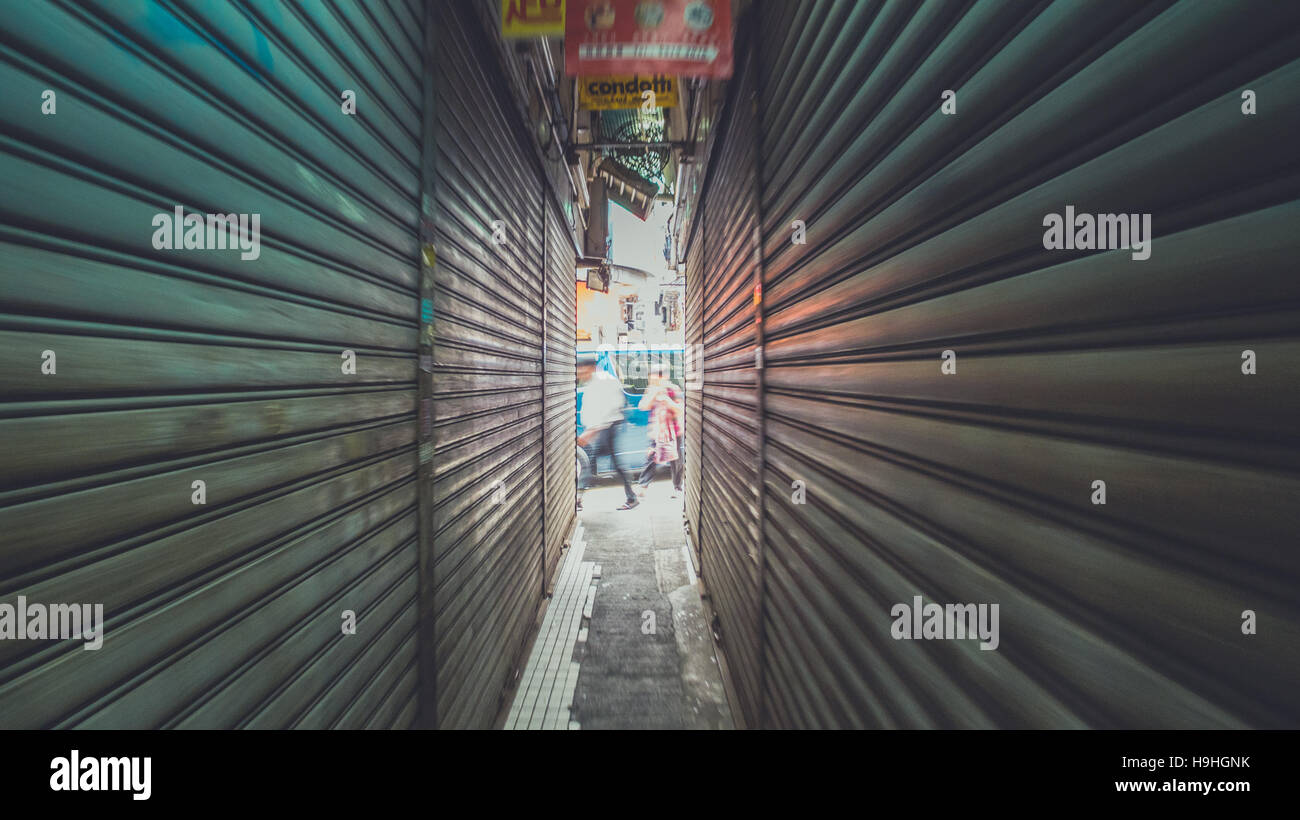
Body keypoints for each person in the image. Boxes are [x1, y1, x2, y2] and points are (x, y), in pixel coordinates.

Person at [576, 352, 639, 510]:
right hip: (601, 429)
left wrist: (592, 431)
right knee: (600, 463)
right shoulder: (591, 383)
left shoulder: (605, 382)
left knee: (591, 463)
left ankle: (578, 497)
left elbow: (610, 407)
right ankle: (631, 497)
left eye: (581, 370)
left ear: (591, 368)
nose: (579, 374)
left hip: (609, 428)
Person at [634, 364, 683, 498]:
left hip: (673, 431)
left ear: (663, 376)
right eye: (651, 377)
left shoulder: (673, 389)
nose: (652, 380)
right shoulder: (651, 390)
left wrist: (667, 400)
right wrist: (654, 394)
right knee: (651, 457)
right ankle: (643, 486)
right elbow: (643, 406)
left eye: (654, 376)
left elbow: (679, 409)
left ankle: (677, 488)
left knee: (676, 460)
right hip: (656, 432)